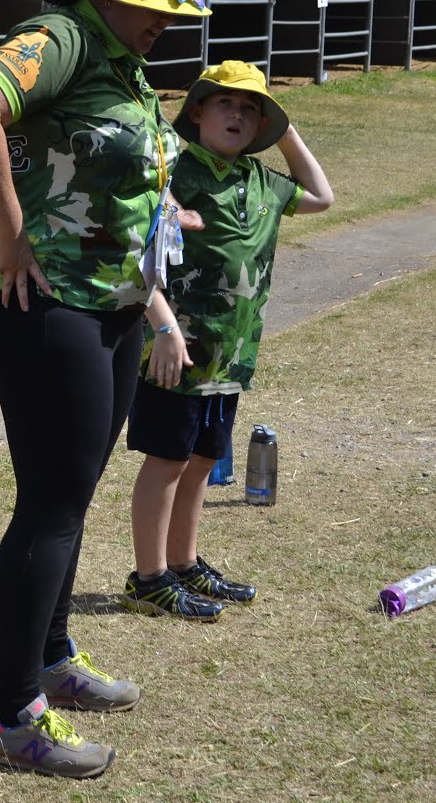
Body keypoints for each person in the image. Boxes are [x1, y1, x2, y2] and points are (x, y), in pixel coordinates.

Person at [0, 0, 212, 778]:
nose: (163, 17)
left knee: (73, 489)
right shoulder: (58, 36)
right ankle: (13, 715)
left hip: (115, 305)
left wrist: (158, 281)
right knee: (52, 501)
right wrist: (9, 232)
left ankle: (51, 656)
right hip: (43, 305)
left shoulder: (122, 60)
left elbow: (116, 180)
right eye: (149, 0)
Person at [123, 61, 333, 619]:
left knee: (199, 460)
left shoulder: (264, 181)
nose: (238, 115)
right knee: (166, 461)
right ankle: (149, 578)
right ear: (197, 113)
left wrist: (286, 134)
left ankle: (184, 563)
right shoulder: (174, 176)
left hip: (230, 355)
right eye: (224, 104)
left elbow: (321, 196)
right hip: (176, 351)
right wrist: (163, 330)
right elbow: (136, 258)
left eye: (251, 109)